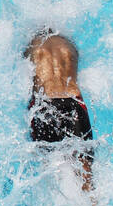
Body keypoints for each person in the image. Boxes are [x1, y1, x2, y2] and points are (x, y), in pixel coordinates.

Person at [24, 31, 93, 191]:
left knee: (47, 169)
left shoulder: (33, 46)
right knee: (86, 172)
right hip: (74, 103)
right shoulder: (69, 45)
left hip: (45, 104)